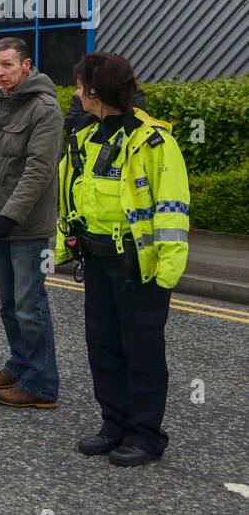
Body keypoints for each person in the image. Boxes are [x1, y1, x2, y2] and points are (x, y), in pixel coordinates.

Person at [55, 53, 189, 466]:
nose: (76, 93)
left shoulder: (152, 141)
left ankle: (146, 435)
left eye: (80, 86)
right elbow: (70, 195)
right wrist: (63, 245)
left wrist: (166, 270)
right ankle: (114, 424)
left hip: (137, 265)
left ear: (97, 91)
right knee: (104, 347)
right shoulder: (86, 136)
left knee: (142, 351)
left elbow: (171, 206)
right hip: (96, 260)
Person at [0, 37, 63, 407]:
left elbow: (39, 170)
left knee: (30, 305)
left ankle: (41, 385)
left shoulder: (46, 109)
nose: (0, 73)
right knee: (8, 303)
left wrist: (11, 214)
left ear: (27, 65)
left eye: (7, 65)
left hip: (27, 227)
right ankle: (21, 364)